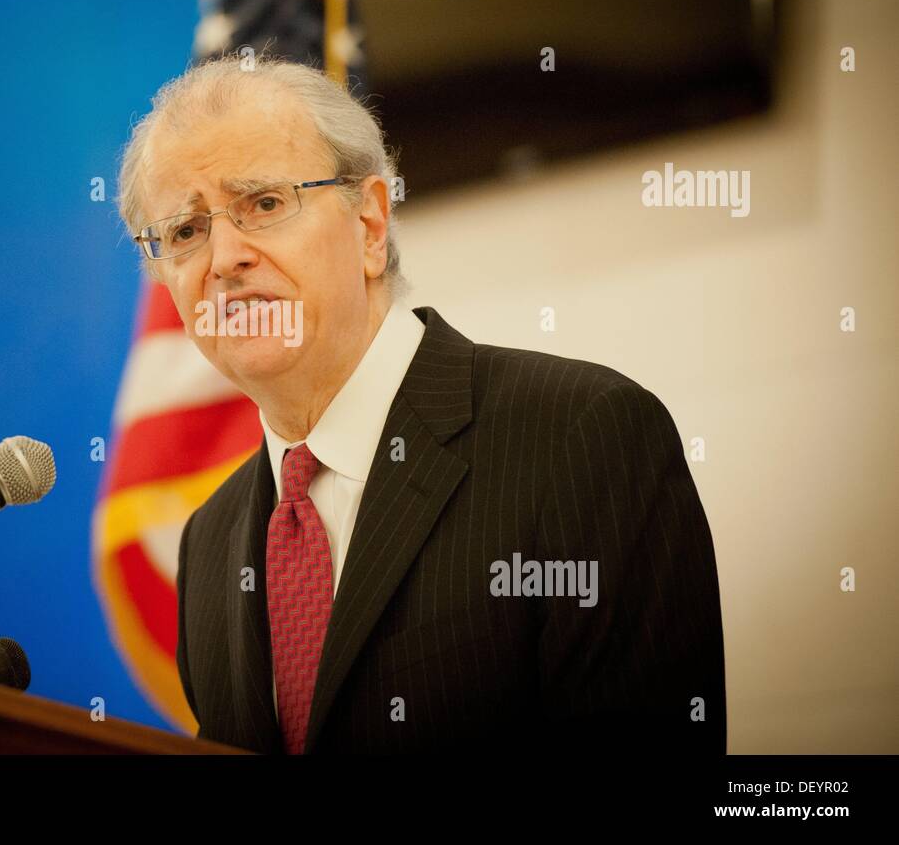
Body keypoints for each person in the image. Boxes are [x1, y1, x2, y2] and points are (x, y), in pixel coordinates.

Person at [115, 53, 726, 754]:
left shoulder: (583, 437)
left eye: (263, 203)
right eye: (186, 232)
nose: (224, 257)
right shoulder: (209, 541)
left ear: (370, 226)